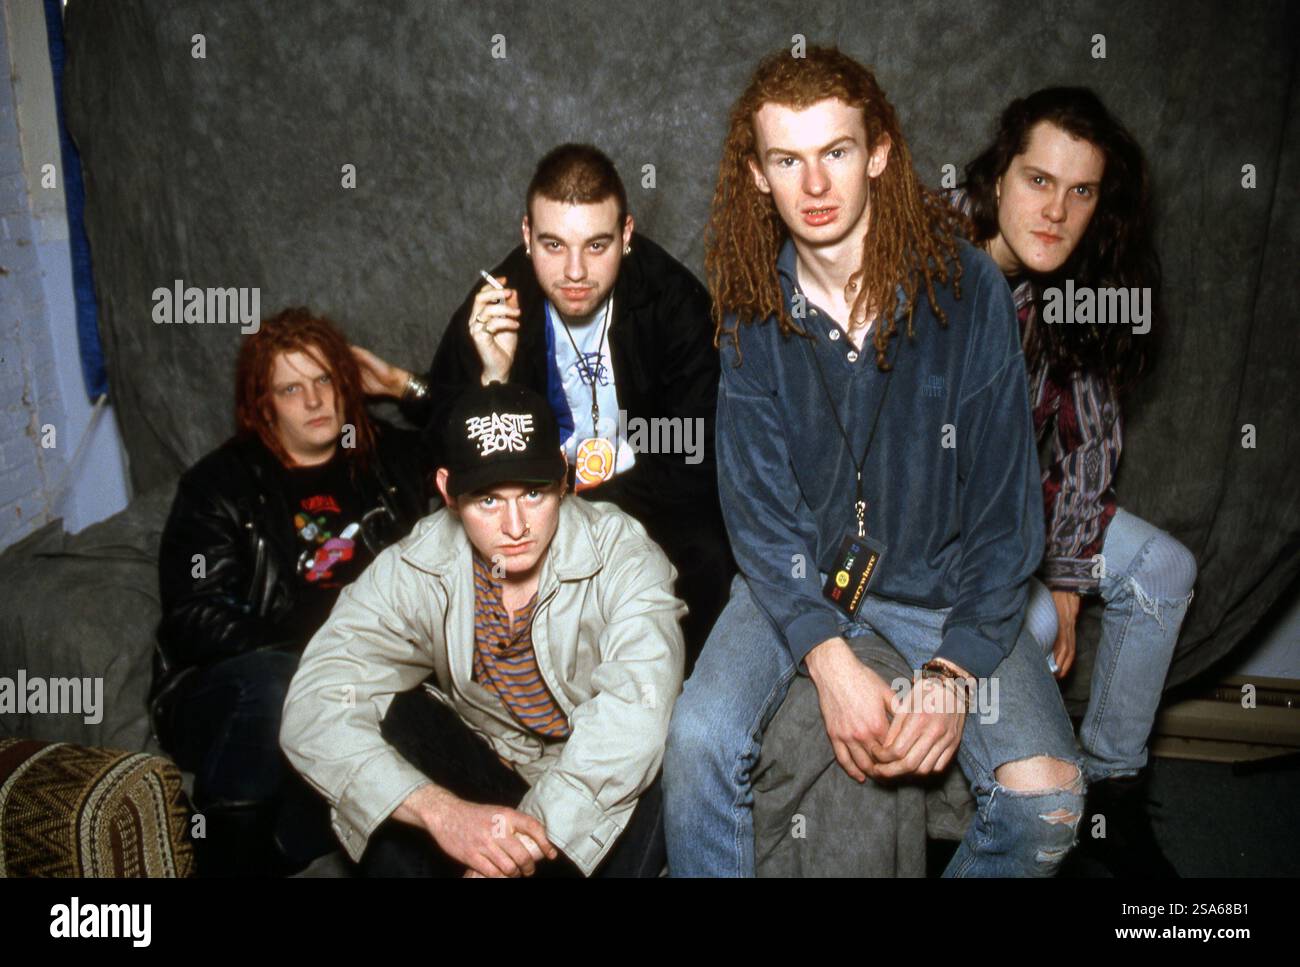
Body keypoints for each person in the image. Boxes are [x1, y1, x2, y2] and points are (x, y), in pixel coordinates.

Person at [663, 45, 1085, 877]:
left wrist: (956, 670)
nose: (814, 186)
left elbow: (1006, 516)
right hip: (797, 573)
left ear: (880, 153)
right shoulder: (750, 304)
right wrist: (828, 656)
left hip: (941, 582)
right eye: (788, 159)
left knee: (1049, 800)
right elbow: (757, 508)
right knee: (698, 740)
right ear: (757, 174)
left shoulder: (965, 289)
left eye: (836, 152)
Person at [279, 381, 684, 877]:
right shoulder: (418, 566)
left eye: (533, 493)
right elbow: (313, 706)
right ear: (448, 491)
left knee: (677, 750)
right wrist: (441, 814)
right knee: (394, 715)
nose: (515, 526)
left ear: (563, 476)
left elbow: (632, 718)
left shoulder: (623, 555)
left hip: (594, 791)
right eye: (488, 500)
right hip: (493, 777)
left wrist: (509, 858)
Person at [350, 144, 731, 667]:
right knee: (444, 560)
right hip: (529, 511)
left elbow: (697, 459)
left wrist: (579, 510)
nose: (575, 271)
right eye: (553, 244)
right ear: (527, 236)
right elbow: (445, 452)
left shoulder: (674, 304)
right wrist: (494, 377)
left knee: (709, 554)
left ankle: (678, 717)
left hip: (651, 507)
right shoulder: (499, 301)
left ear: (626, 237)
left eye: (597, 246)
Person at [958, 87, 1197, 876]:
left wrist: (1065, 565)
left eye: (1081, 190)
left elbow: (1089, 442)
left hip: (1030, 507)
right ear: (997, 179)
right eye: (1038, 180)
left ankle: (1114, 793)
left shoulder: (1075, 278)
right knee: (1020, 634)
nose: (1056, 210)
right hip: (946, 535)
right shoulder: (928, 259)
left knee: (1163, 568)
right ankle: (1019, 825)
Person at [150, 307, 430, 876]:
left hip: (361, 671)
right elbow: (195, 616)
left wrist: (404, 386)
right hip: (239, 687)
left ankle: (291, 840)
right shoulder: (219, 486)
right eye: (291, 387)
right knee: (283, 684)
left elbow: (476, 438)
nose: (315, 400)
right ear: (264, 405)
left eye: (325, 379)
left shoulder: (381, 460)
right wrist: (317, 652)